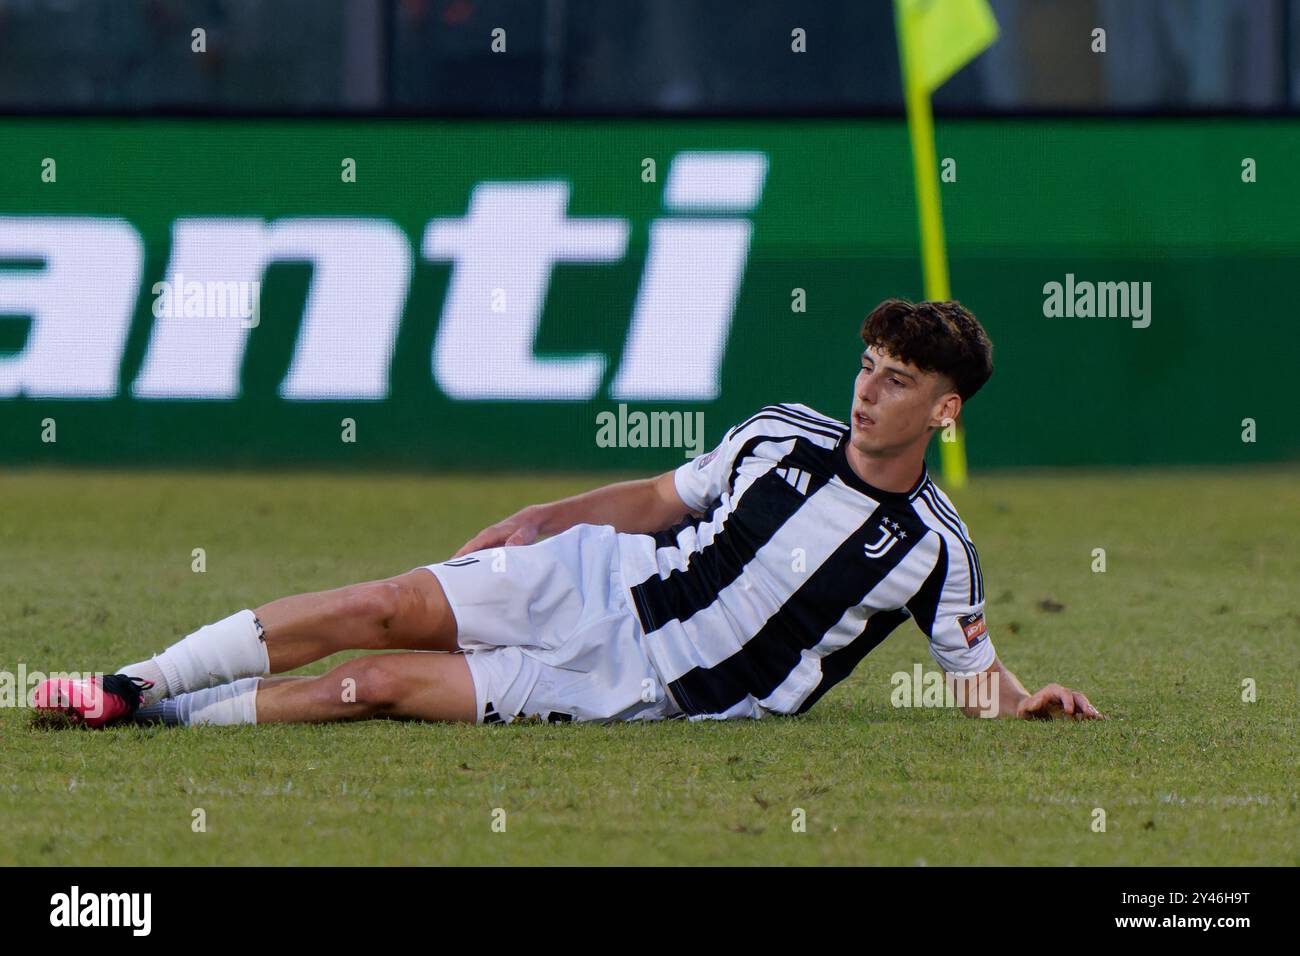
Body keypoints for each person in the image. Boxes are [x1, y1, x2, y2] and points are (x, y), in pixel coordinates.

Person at [33, 298, 1102, 729]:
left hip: (644, 686)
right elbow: (655, 498)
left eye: (899, 378)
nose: (870, 390)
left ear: (945, 406)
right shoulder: (781, 429)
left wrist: (1027, 703)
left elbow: (972, 676)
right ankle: (139, 678)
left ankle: (156, 721)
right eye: (867, 366)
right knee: (385, 602)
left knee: (379, 684)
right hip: (598, 577)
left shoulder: (933, 548)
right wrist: (543, 514)